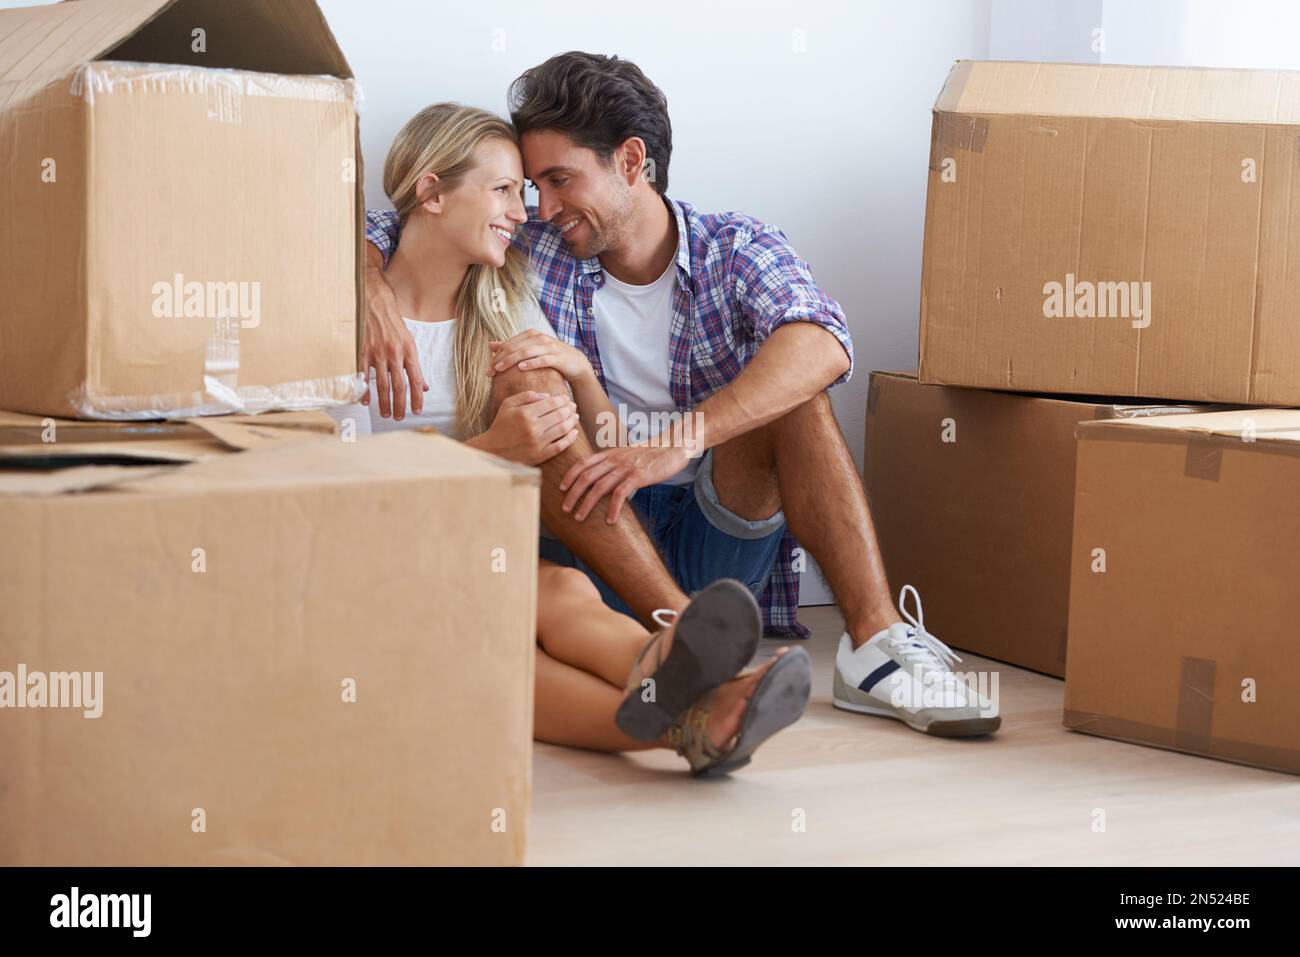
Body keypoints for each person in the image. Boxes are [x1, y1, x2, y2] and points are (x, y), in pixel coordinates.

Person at [362, 54, 998, 737]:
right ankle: (684, 644)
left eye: (557, 180)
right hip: (600, 531)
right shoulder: (532, 243)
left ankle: (875, 648)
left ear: (631, 161)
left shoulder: (734, 247)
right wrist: (365, 280)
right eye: (528, 187)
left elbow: (823, 341)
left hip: (714, 535)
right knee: (529, 381)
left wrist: (677, 441)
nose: (539, 207)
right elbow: (403, 221)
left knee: (796, 393)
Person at [333, 101, 811, 775]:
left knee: (562, 594)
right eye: (503, 190)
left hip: (468, 538)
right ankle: (688, 722)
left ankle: (685, 664)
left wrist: (583, 376)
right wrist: (490, 450)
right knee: (498, 644)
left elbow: (601, 447)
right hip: (359, 552)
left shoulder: (505, 301)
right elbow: (322, 480)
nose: (525, 212)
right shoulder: (340, 313)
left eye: (524, 191)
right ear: (432, 193)